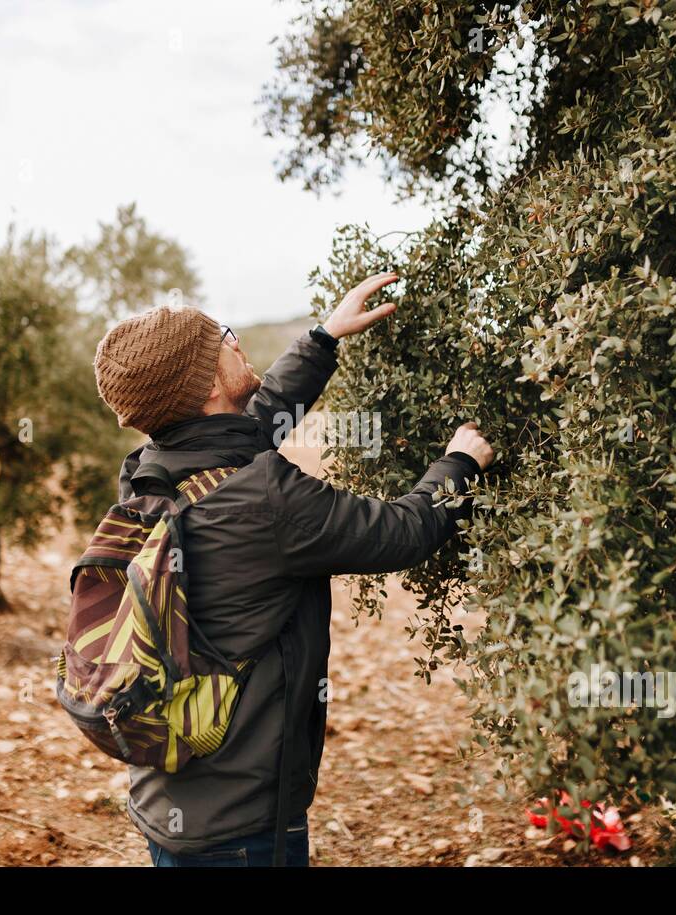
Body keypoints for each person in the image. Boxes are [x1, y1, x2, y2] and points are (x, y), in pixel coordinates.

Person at [91, 272, 494, 866]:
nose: (236, 342)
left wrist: (325, 337)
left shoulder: (149, 474)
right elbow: (404, 533)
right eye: (223, 339)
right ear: (205, 387)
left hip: (169, 799)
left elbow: (252, 421)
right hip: (242, 829)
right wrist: (461, 461)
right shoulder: (265, 499)